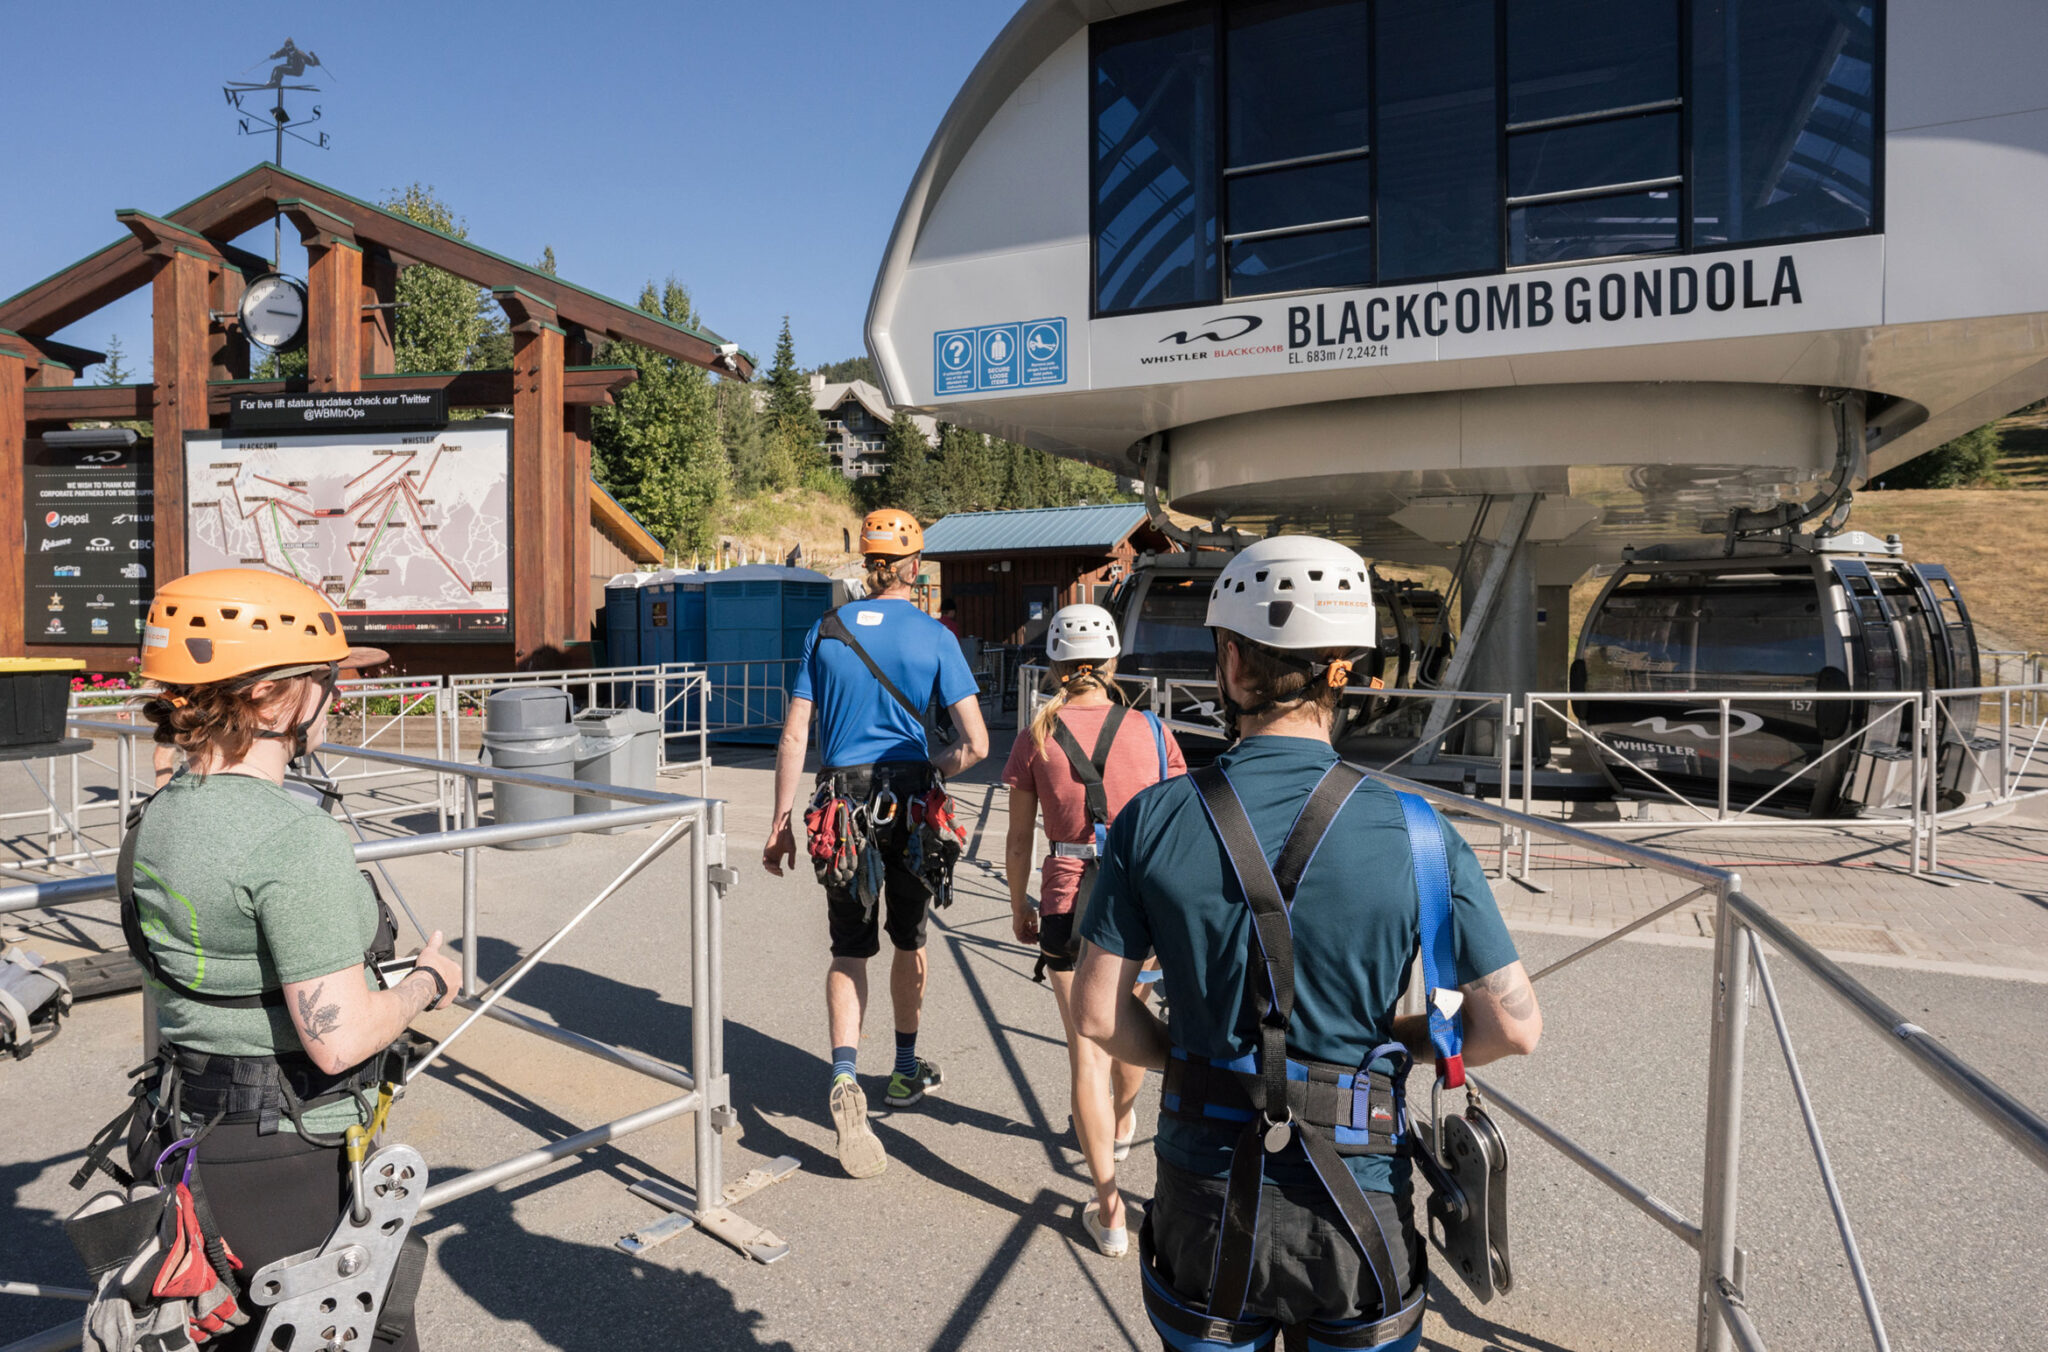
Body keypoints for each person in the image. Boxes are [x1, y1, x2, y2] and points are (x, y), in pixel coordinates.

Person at [1073, 535, 1543, 1352]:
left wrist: (1192, 1053)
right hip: (1358, 1208)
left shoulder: (1154, 819)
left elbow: (1098, 1011)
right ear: (1346, 671)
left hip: (1203, 1196)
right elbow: (1513, 1027)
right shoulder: (1424, 834)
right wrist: (1403, 1045)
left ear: (1232, 664)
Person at [100, 569, 461, 1352]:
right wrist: (429, 982)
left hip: (187, 1130)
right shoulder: (293, 838)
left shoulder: (160, 815)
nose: (337, 696)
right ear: (270, 698)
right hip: (288, 1157)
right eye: (325, 680)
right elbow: (337, 1038)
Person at [763, 508, 989, 1179]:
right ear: (915, 565)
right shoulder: (934, 636)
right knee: (909, 941)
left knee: (847, 947)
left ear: (866, 562)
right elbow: (975, 742)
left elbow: (793, 737)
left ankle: (843, 1074)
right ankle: (902, 1071)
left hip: (841, 807)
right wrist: (928, 769)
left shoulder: (824, 632)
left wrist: (779, 822)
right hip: (911, 804)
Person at [1003, 603, 1185, 1257]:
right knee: (1128, 1034)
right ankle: (1125, 1117)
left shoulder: (1037, 735)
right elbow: (1179, 826)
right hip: (1141, 904)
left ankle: (1109, 1215)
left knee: (1084, 1051)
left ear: (1053, 667)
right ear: (1112, 663)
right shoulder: (1153, 730)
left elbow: (1021, 837)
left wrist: (1018, 903)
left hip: (1065, 899)